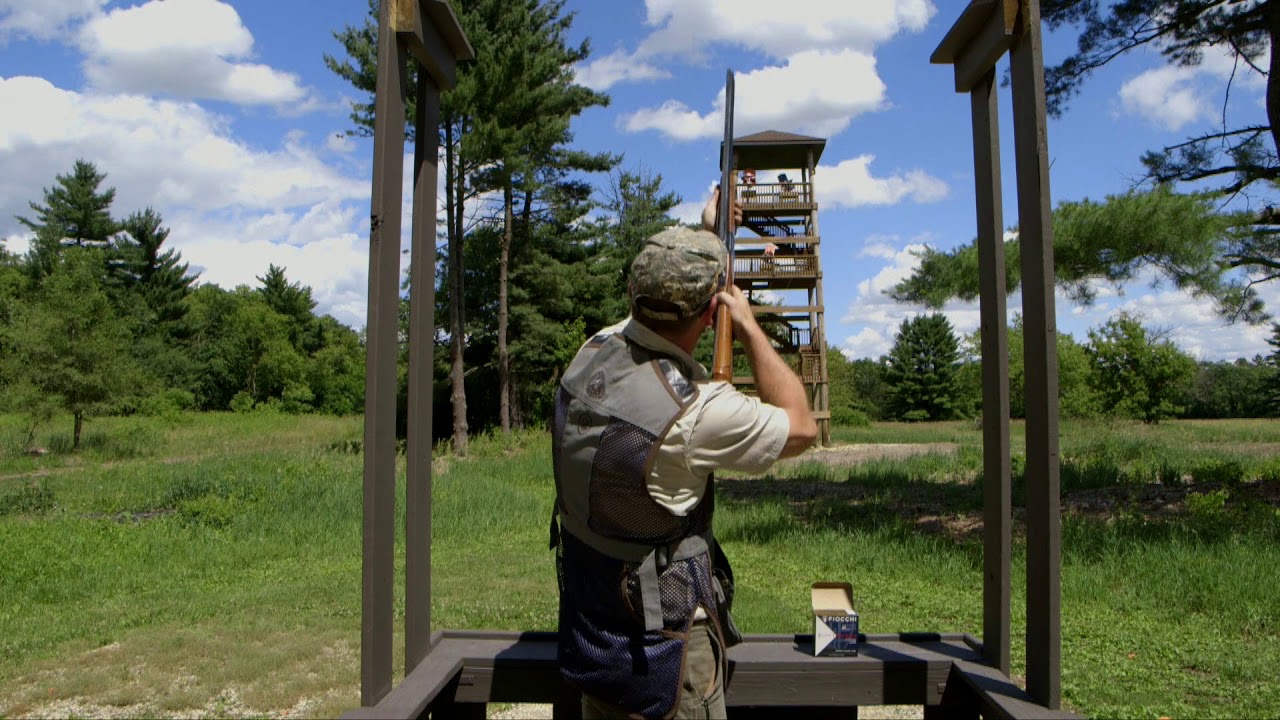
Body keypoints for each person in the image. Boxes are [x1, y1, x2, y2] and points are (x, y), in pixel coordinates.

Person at [550, 197, 818, 719]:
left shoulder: (591, 352)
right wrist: (747, 325)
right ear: (713, 312)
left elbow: (664, 300)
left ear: (634, 294)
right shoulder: (698, 414)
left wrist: (707, 235)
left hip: (593, 633)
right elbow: (802, 425)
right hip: (667, 656)